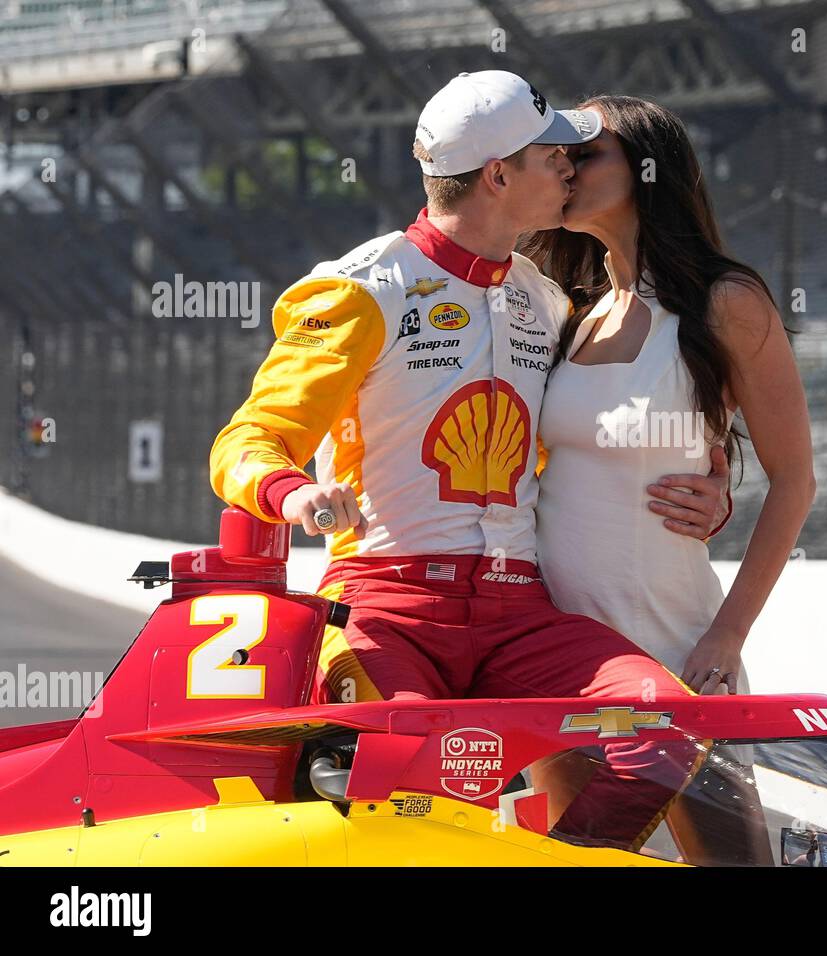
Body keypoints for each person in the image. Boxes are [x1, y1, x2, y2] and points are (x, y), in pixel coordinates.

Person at [207, 71, 727, 852]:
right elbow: (245, 441)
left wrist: (709, 488)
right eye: (554, 153)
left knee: (669, 726)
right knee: (425, 806)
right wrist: (294, 495)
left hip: (522, 614)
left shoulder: (546, 300)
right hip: (386, 608)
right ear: (498, 174)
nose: (568, 169)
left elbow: (581, 442)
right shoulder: (360, 288)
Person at [521, 95, 816, 862]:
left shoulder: (726, 302)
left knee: (732, 864)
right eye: (560, 155)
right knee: (586, 864)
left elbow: (795, 481)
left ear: (649, 169)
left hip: (677, 648)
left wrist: (728, 634)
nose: (565, 168)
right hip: (567, 655)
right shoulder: (568, 312)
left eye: (588, 154)